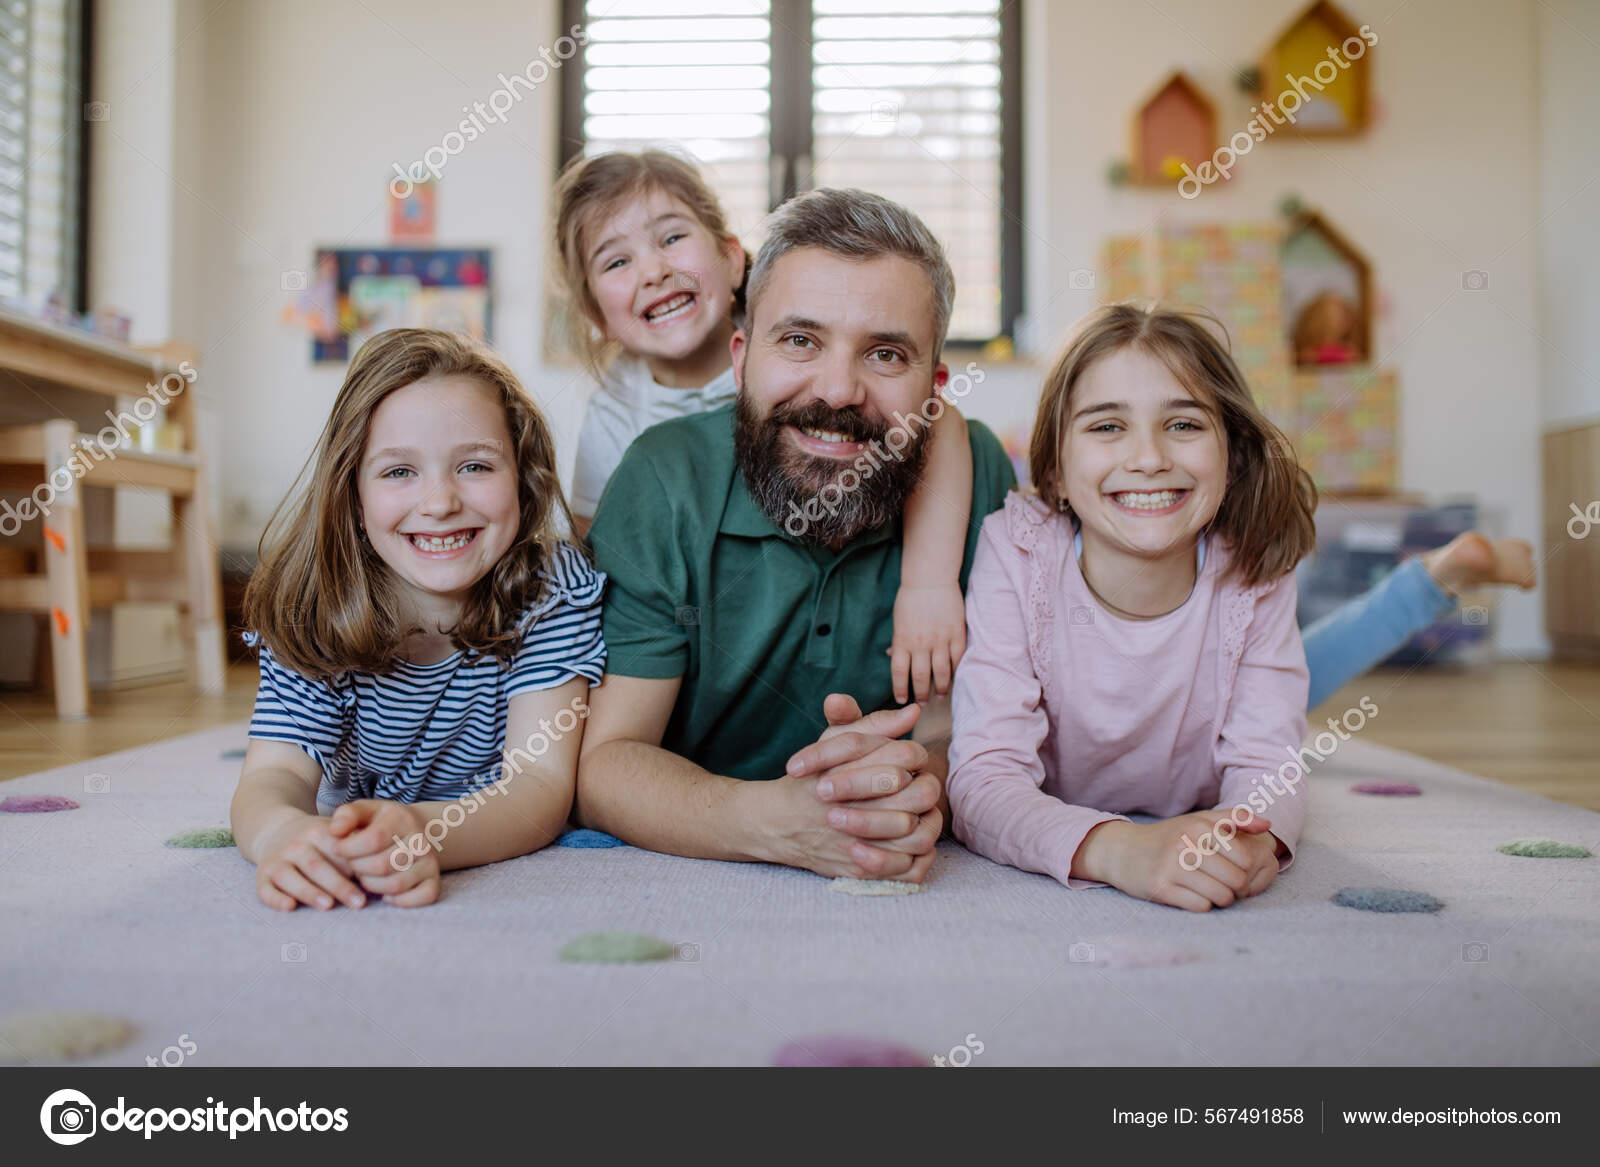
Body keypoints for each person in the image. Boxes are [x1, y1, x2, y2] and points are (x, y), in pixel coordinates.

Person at [575, 188, 1014, 882]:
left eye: (887, 355)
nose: (838, 390)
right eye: (801, 340)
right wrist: (774, 822)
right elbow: (605, 763)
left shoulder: (981, 477)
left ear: (935, 389)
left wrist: (908, 783)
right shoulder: (662, 480)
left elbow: (964, 732)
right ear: (742, 357)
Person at [554, 150, 972, 703]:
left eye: (672, 238)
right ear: (595, 316)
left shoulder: (791, 361)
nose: (653, 271)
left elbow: (940, 421)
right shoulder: (615, 411)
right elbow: (595, 549)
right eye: (616, 262)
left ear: (733, 261)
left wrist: (928, 585)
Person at [947, 304, 1316, 911]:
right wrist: (1120, 851)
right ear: (1056, 471)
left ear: (1233, 460)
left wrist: (1255, 837)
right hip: (1071, 807)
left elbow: (1268, 761)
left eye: (1184, 425)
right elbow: (985, 781)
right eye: (1107, 427)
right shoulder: (1015, 549)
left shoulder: (1254, 568)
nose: (1148, 458)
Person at [231, 329, 605, 910]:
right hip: (358, 809)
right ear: (351, 493)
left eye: (476, 465)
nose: (439, 503)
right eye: (399, 472)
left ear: (523, 480)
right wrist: (281, 832)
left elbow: (539, 788)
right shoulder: (312, 606)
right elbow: (270, 778)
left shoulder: (550, 592)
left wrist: (422, 831)